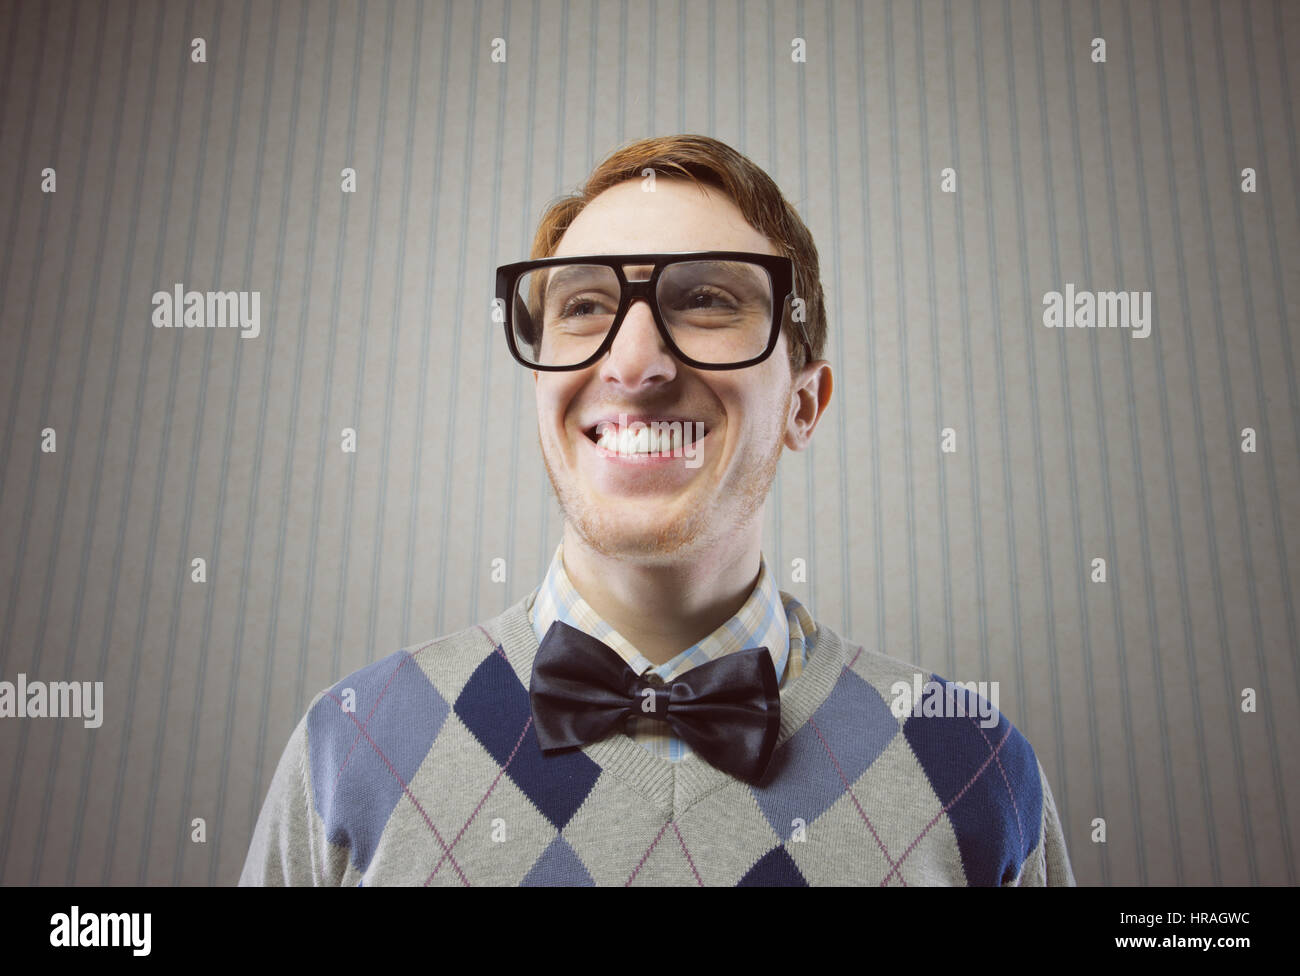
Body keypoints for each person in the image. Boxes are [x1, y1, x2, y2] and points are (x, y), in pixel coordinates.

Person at [240, 134, 1075, 886]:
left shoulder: (970, 762)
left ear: (804, 404)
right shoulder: (354, 745)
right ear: (541, 388)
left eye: (707, 299)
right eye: (584, 307)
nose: (635, 362)